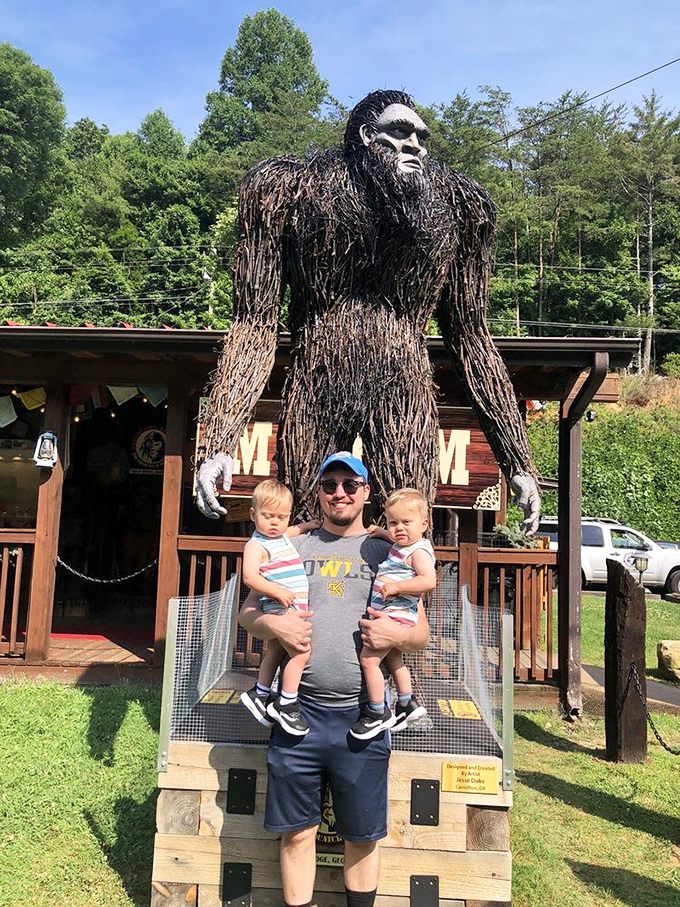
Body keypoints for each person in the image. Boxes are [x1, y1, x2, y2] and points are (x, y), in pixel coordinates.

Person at [196, 89, 540, 534]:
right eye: (400, 132)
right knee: (302, 520)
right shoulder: (293, 192)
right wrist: (221, 440)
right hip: (318, 376)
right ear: (364, 136)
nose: (415, 144)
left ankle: (399, 604)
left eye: (421, 135)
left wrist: (516, 459)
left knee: (408, 525)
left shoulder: (456, 207)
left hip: (403, 380)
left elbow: (471, 337)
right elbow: (254, 324)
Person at [239, 452, 430, 907]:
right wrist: (273, 627)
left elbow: (420, 633)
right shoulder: (290, 545)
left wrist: (393, 633)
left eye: (350, 484)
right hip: (297, 716)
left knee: (362, 836)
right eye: (329, 485)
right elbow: (248, 613)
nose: (339, 492)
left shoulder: (390, 550)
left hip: (361, 717)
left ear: (367, 492)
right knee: (297, 834)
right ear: (318, 494)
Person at [353, 488, 436, 739]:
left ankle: (378, 710)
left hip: (396, 613)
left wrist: (398, 586)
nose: (399, 528)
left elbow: (428, 580)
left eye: (406, 522)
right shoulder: (404, 544)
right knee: (394, 659)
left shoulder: (419, 552)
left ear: (424, 524)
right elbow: (396, 540)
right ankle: (406, 702)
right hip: (393, 613)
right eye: (393, 523)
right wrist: (381, 532)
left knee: (369, 661)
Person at [240, 479, 320, 736]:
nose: (275, 522)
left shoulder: (281, 535)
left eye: (281, 517)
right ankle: (286, 703)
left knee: (275, 648)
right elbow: (250, 578)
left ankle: (260, 692)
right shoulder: (256, 545)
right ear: (253, 515)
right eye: (268, 516)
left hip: (288, 604)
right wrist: (277, 591)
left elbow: (294, 530)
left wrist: (309, 525)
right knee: (300, 653)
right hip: (278, 605)